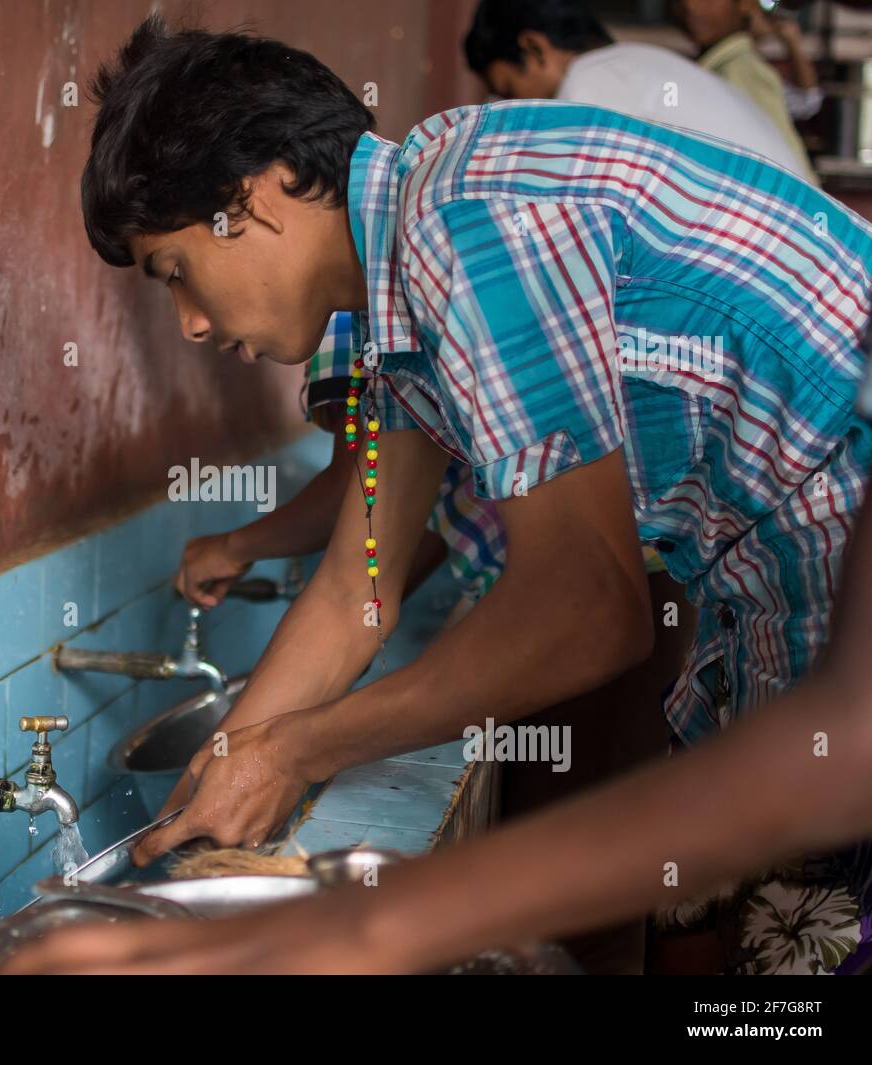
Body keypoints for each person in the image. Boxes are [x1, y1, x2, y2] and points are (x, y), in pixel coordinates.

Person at [54, 17, 872, 974]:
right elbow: (358, 591)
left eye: (177, 273)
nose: (189, 323)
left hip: (834, 563)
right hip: (781, 586)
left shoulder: (466, 219)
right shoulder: (397, 285)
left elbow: (589, 609)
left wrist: (304, 747)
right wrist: (217, 786)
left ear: (255, 198)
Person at [464, 0, 813, 181]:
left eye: (509, 90)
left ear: (535, 49)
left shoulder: (589, 83)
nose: (509, 106)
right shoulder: (633, 63)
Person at [672, 0, 818, 182]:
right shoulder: (719, 69)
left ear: (746, 5)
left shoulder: (740, 71)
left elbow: (776, 166)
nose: (690, 6)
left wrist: (792, 43)